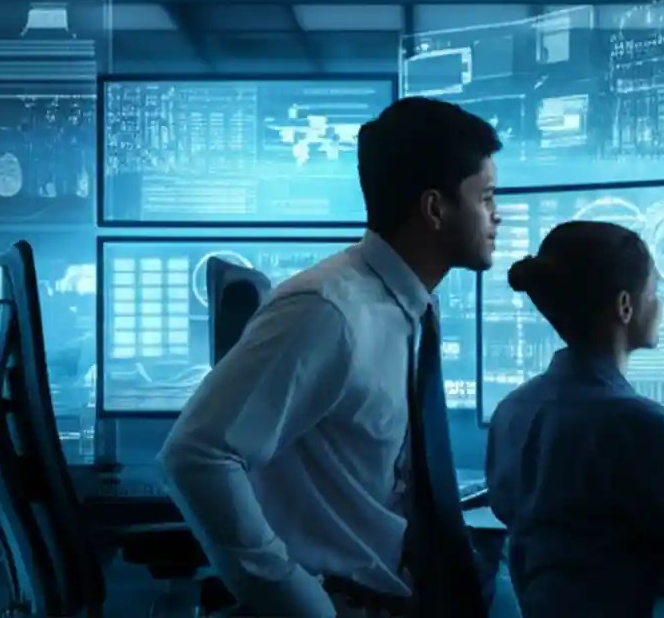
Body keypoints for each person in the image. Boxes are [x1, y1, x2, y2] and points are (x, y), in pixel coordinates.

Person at [158, 96, 503, 617]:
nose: (498, 216)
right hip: (356, 600)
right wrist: (296, 599)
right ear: (435, 209)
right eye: (486, 197)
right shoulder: (327, 312)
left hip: (409, 583)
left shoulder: (409, 307)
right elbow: (196, 455)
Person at [485, 221, 664, 617]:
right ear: (625, 306)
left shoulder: (512, 411)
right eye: (654, 291)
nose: (659, 304)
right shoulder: (636, 423)